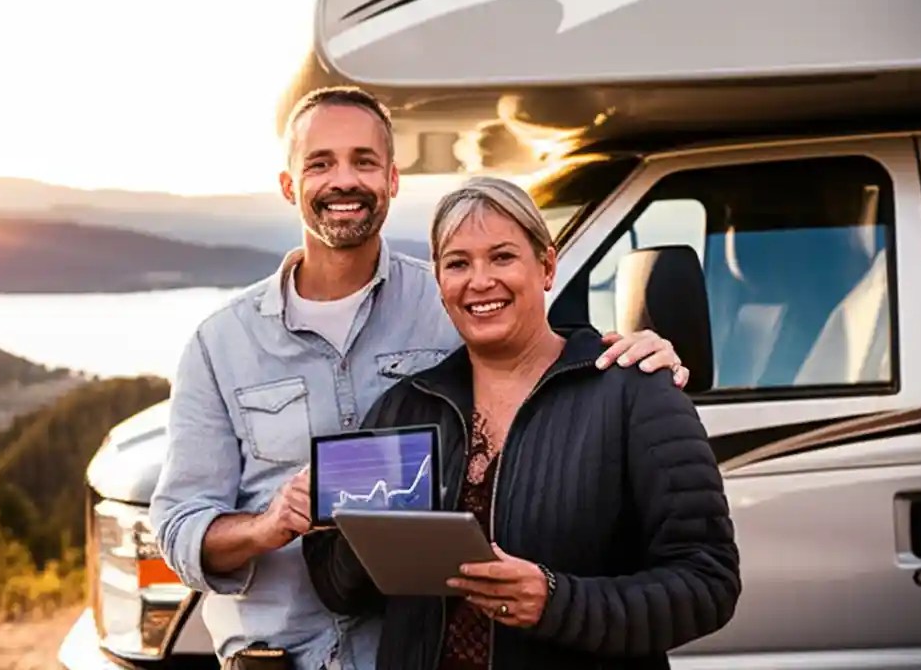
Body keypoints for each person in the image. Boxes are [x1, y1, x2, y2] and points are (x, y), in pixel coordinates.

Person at [148, 86, 692, 670]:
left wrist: (628, 346)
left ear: (392, 180)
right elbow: (178, 526)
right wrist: (266, 526)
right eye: (320, 163)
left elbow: (539, 356)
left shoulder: (453, 300)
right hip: (283, 659)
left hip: (414, 650)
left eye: (364, 161)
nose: (344, 181)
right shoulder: (219, 344)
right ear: (289, 186)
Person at [302, 176, 740, 670]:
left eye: (503, 257)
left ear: (547, 266)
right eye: (458, 263)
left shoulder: (635, 392)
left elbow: (709, 583)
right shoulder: (405, 407)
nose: (480, 280)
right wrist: (330, 514)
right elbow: (338, 588)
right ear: (440, 281)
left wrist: (558, 602)